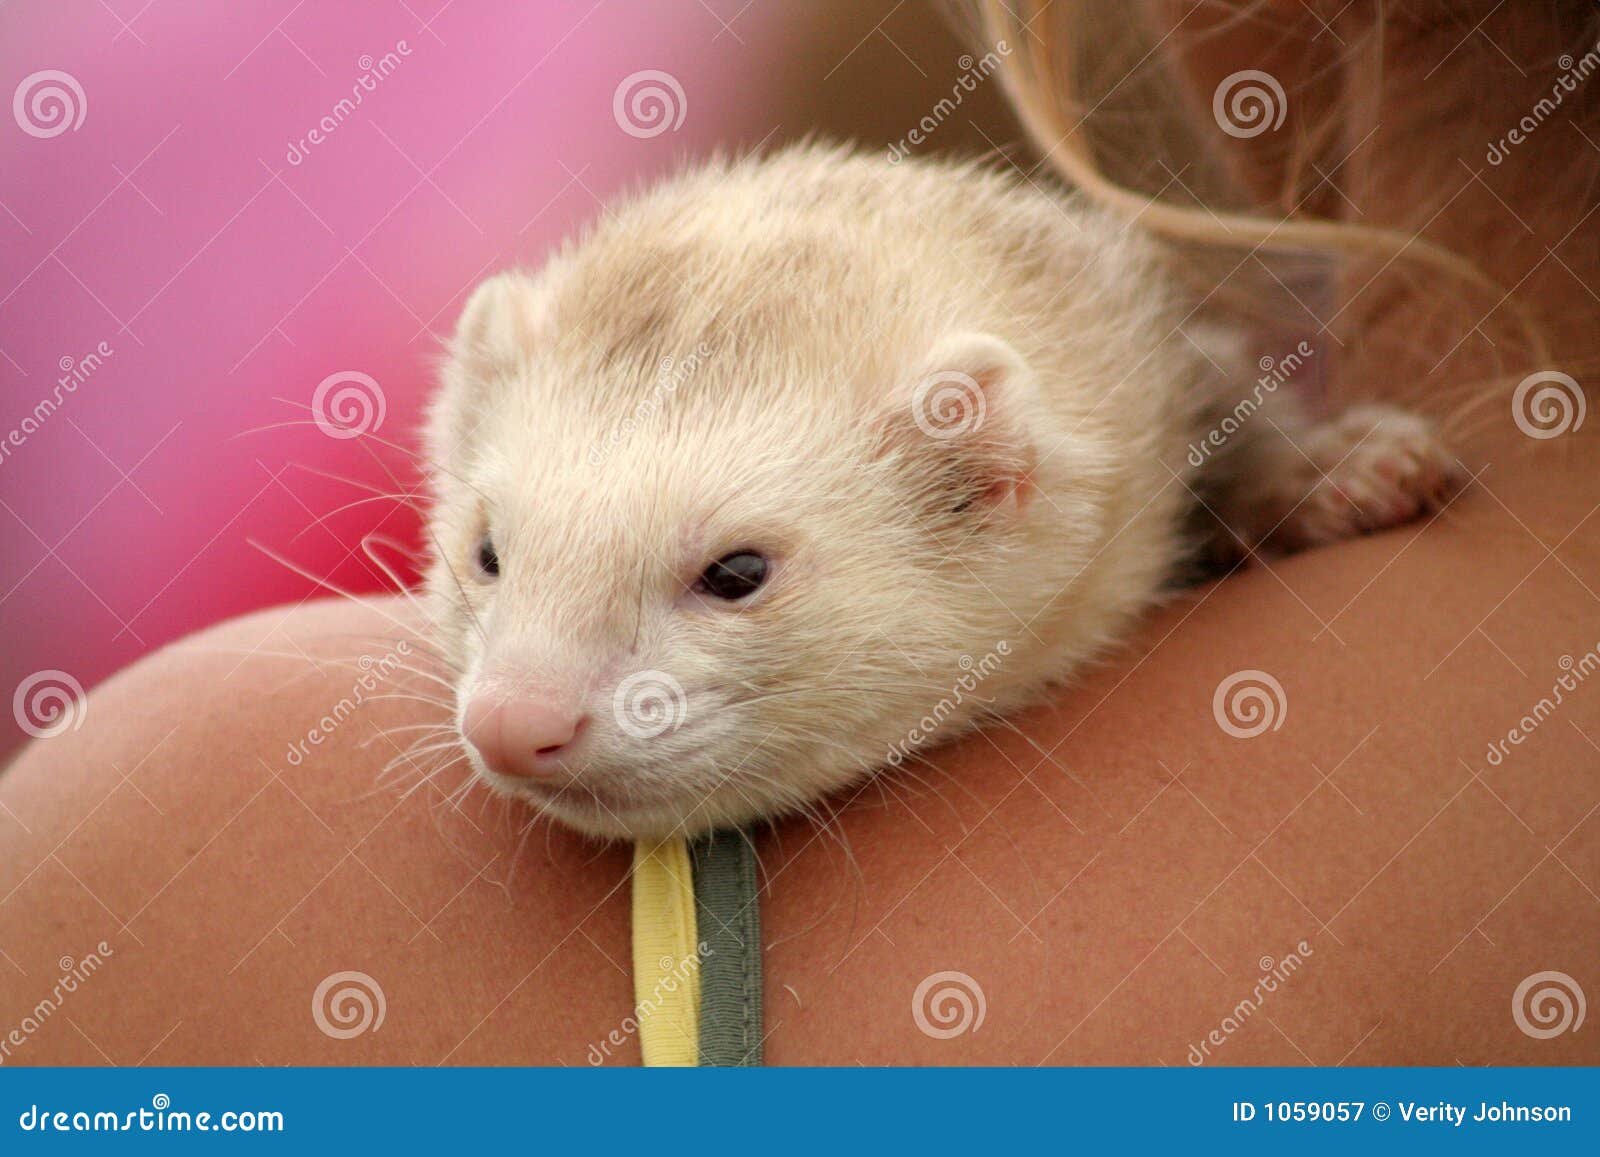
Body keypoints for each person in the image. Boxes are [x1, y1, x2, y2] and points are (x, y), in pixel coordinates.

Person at [3, 1, 1597, 1065]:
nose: (510, 712)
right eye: (491, 559)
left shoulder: (182, 865)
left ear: (990, 480)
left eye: (736, 578)